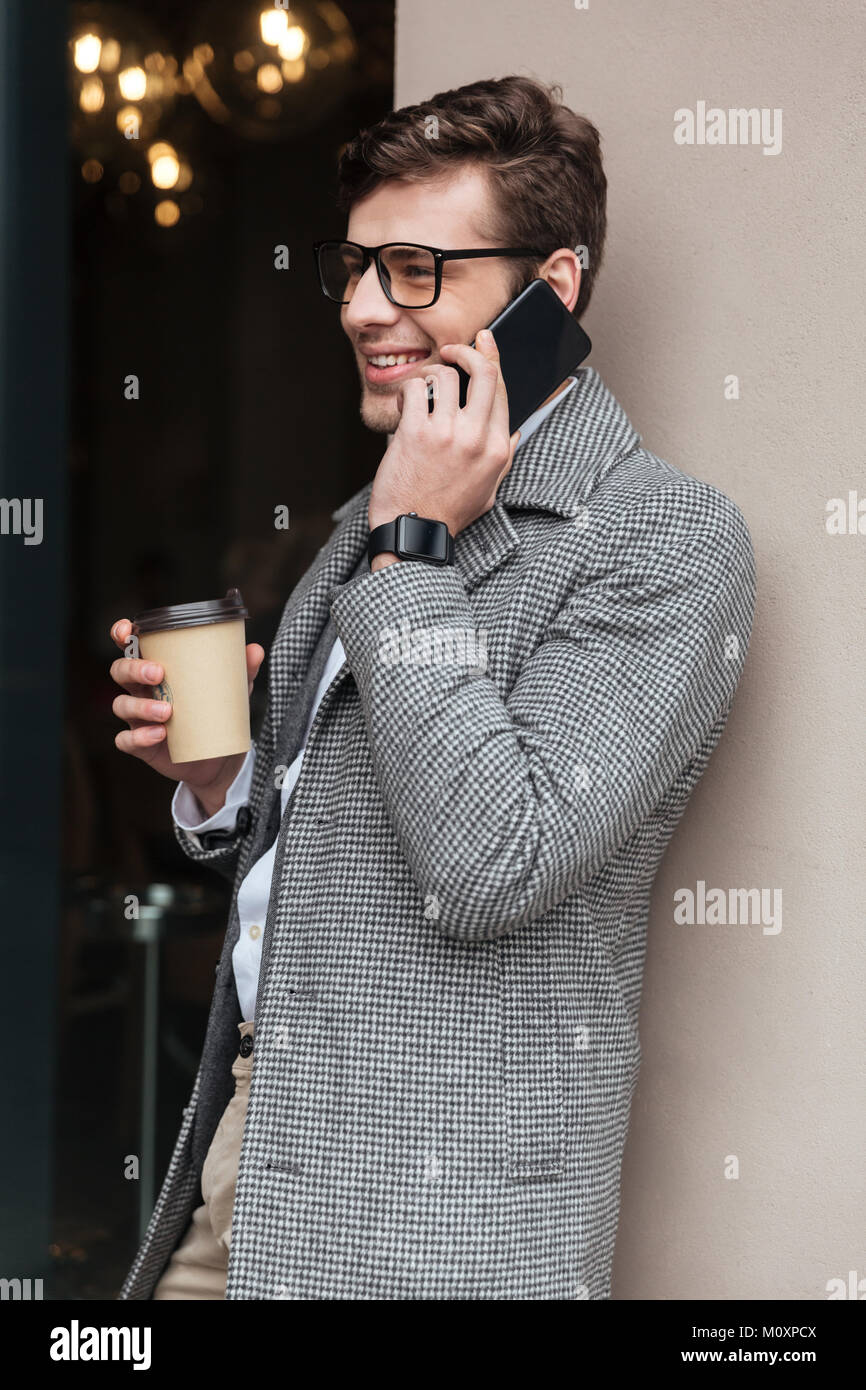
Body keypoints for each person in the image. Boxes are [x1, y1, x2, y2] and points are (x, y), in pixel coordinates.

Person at [111, 75, 756, 1300]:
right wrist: (222, 783)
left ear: (548, 291)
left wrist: (409, 554)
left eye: (414, 269)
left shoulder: (661, 541)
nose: (362, 307)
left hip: (433, 1230)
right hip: (251, 1166)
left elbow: (492, 864)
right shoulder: (368, 516)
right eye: (354, 266)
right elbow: (330, 869)